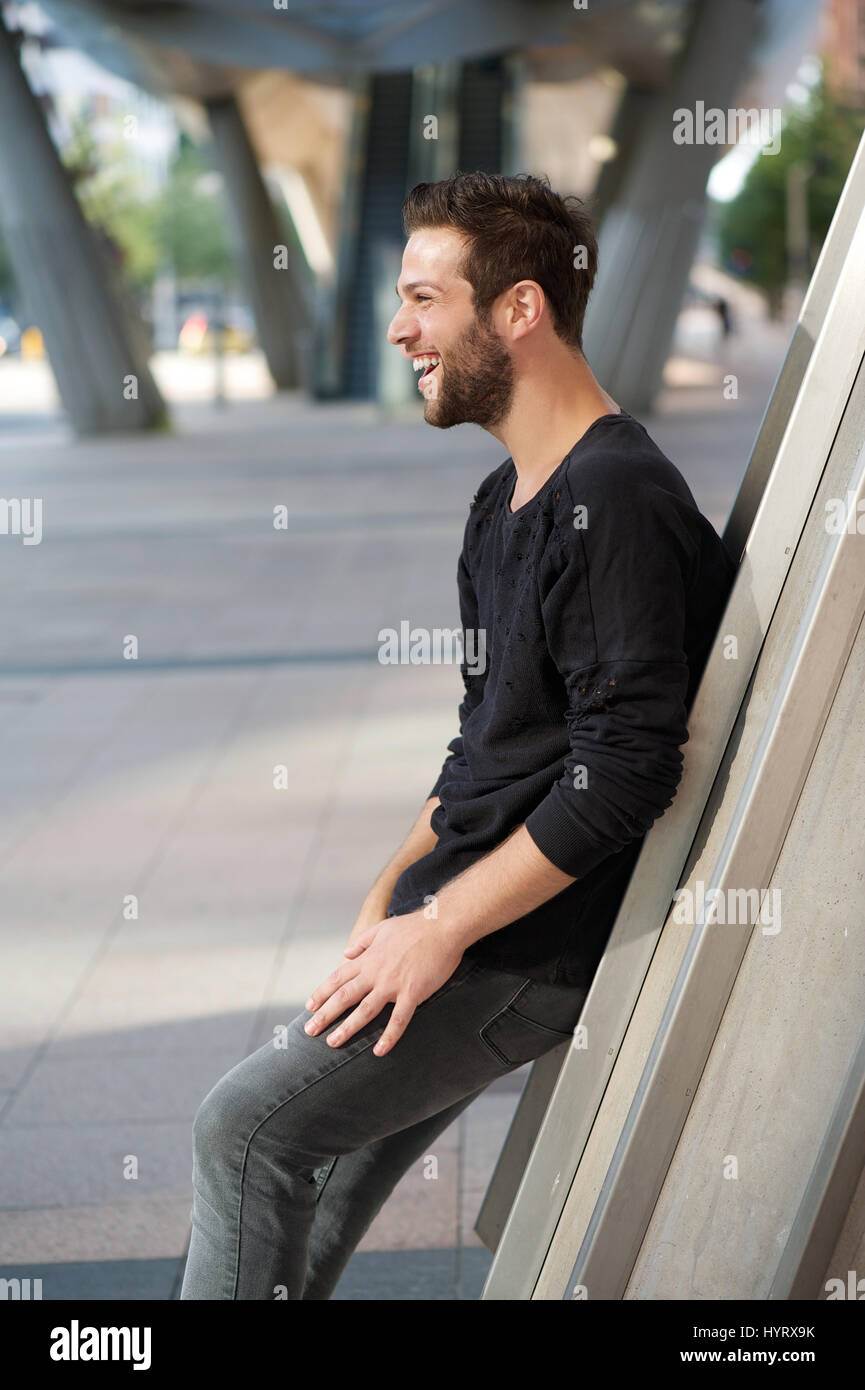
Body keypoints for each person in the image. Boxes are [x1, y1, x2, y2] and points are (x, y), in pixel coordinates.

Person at [180, 171, 738, 1300]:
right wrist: (390, 896)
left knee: (243, 1131)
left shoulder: (617, 497)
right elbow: (482, 744)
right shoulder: (502, 502)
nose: (398, 328)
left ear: (518, 310)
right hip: (463, 917)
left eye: (424, 299)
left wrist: (438, 927)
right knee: (310, 1166)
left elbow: (625, 769)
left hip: (528, 945)